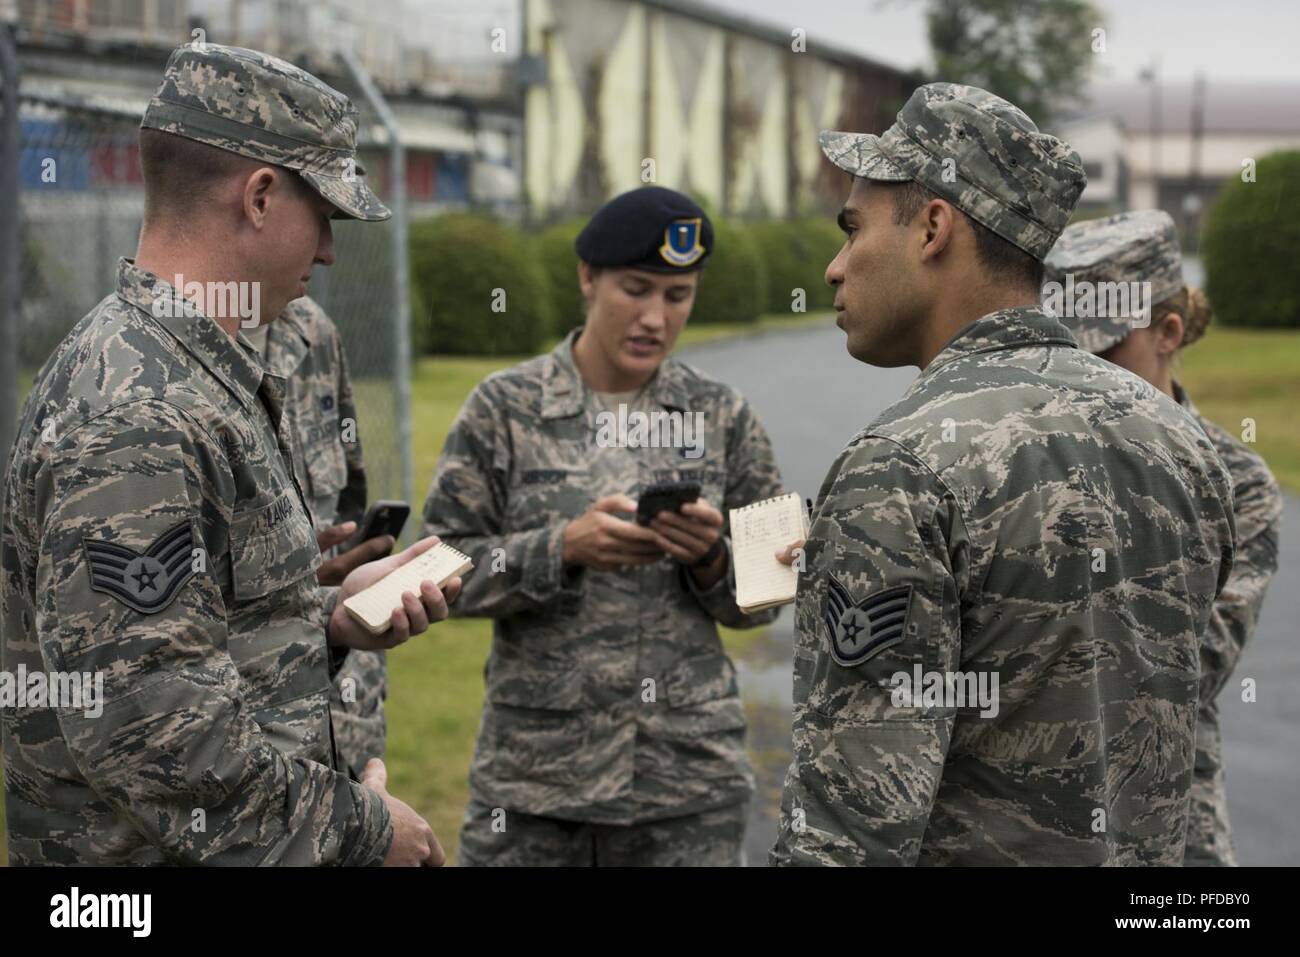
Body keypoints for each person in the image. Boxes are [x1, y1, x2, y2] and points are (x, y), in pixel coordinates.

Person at [0, 43, 458, 866]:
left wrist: (327, 624)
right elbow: (158, 737)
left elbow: (184, 646)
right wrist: (369, 828)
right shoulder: (141, 410)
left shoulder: (190, 373)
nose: (326, 250)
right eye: (323, 215)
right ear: (259, 197)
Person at [769, 83, 1235, 866]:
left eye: (854, 230)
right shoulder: (1181, 442)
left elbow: (848, 835)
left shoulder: (900, 468)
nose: (835, 266)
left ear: (933, 227)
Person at [422, 186, 785, 866]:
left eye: (678, 296)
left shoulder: (724, 415)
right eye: (637, 288)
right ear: (588, 277)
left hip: (687, 791)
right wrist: (560, 549)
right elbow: (438, 567)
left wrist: (711, 558)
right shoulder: (503, 408)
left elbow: (771, 592)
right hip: (534, 792)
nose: (654, 317)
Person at [1044, 209, 1282, 866]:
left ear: (1169, 330)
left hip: (1167, 827)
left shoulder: (1237, 483)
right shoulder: (1031, 462)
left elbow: (1187, 666)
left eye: (1104, 349)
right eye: (1068, 351)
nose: (1084, 372)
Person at [243, 295, 392, 779]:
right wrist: (302, 586)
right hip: (244, 742)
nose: (329, 249)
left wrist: (347, 580)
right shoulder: (156, 357)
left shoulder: (310, 329)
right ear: (256, 211)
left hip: (339, 719)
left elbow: (346, 499)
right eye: (319, 217)